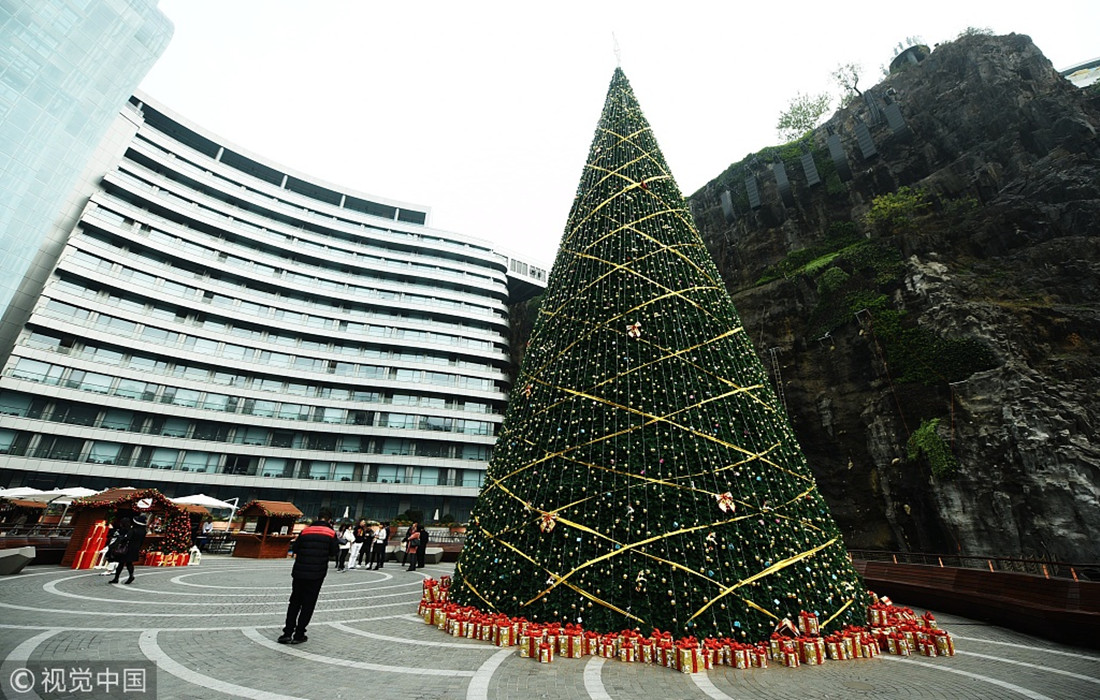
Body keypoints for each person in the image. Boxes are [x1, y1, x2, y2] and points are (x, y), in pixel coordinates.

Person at [280, 508, 338, 644]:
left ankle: (287, 632)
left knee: (294, 602)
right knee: (308, 603)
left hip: (299, 571)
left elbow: (295, 548)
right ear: (329, 520)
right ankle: (299, 633)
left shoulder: (305, 530)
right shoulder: (330, 533)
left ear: (317, 517)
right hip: (316, 573)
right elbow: (334, 551)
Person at [109, 512, 147, 585]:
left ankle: (117, 578)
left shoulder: (133, 530)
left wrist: (121, 539)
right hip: (135, 548)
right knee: (129, 563)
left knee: (121, 563)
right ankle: (130, 576)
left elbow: (127, 538)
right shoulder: (143, 531)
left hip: (127, 548)